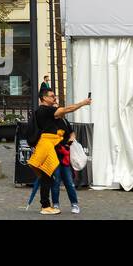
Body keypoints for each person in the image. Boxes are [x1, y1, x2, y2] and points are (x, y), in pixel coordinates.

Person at [28, 87, 91, 215]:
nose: (55, 98)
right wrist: (83, 103)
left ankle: (47, 205)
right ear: (44, 98)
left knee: (48, 177)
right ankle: (46, 206)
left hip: (51, 148)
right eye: (52, 96)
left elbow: (68, 127)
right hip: (47, 147)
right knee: (48, 177)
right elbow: (67, 109)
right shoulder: (44, 110)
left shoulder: (50, 115)